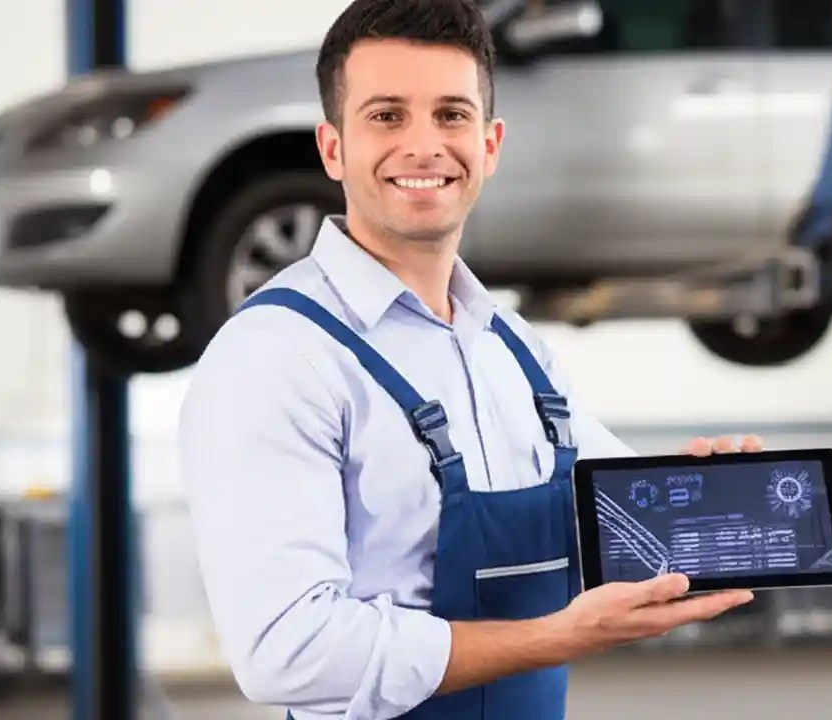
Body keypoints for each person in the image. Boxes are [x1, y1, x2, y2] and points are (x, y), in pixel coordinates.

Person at [177, 1, 760, 718]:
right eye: (387, 116)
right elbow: (288, 652)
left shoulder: (517, 355)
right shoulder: (276, 357)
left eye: (451, 115)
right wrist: (546, 639)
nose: (424, 146)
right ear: (332, 148)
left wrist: (702, 508)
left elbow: (618, 531)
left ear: (490, 144)